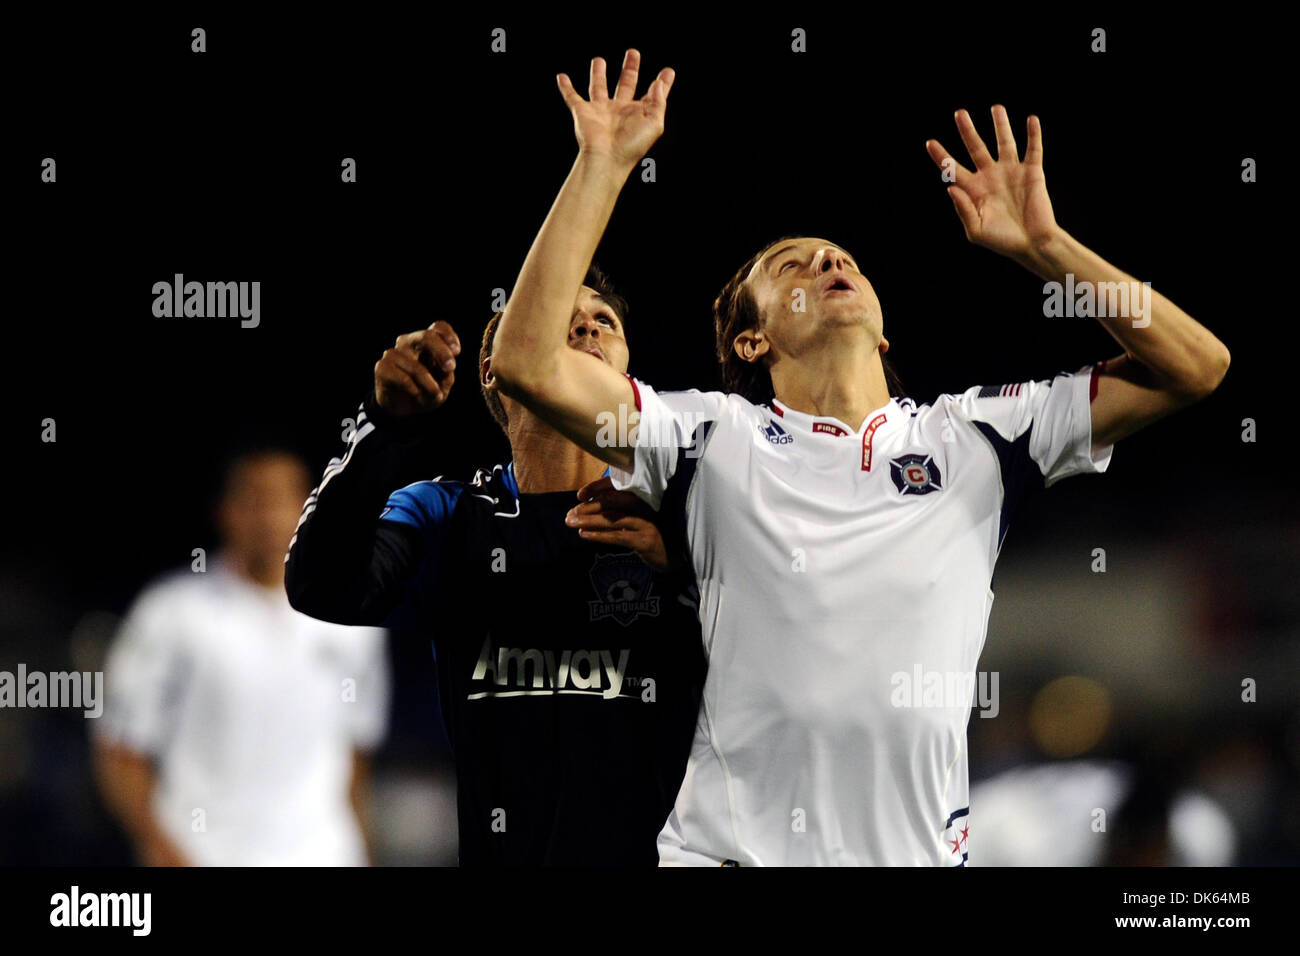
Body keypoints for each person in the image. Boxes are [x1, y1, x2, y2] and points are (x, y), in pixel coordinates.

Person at [489, 50, 1232, 865]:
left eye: (842, 257)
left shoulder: (979, 435)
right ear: (752, 340)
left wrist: (1048, 248)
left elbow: (1196, 367)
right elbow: (527, 361)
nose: (829, 262)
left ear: (882, 334)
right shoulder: (706, 435)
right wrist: (600, 166)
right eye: (792, 266)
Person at [283, 267, 707, 866]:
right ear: (495, 369)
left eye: (604, 321)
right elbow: (319, 584)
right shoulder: (446, 515)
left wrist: (686, 568)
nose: (587, 326)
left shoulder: (686, 511)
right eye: (557, 316)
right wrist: (383, 424)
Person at [93, 449, 390, 866]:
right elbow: (121, 750)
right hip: (209, 854)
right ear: (224, 510)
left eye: (282, 498)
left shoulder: (352, 613)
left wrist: (363, 848)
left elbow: (355, 752)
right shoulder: (171, 611)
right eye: (253, 499)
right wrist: (164, 851)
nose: (269, 516)